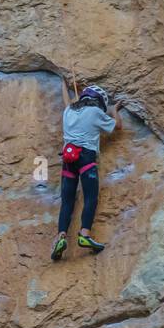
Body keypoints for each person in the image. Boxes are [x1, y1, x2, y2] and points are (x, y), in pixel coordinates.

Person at [50, 79, 121, 260]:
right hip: (86, 159)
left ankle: (61, 236)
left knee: (67, 201)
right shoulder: (96, 112)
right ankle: (84, 235)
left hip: (68, 159)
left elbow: (68, 102)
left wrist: (63, 85)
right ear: (99, 101)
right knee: (90, 197)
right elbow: (116, 127)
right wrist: (114, 111)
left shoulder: (69, 111)